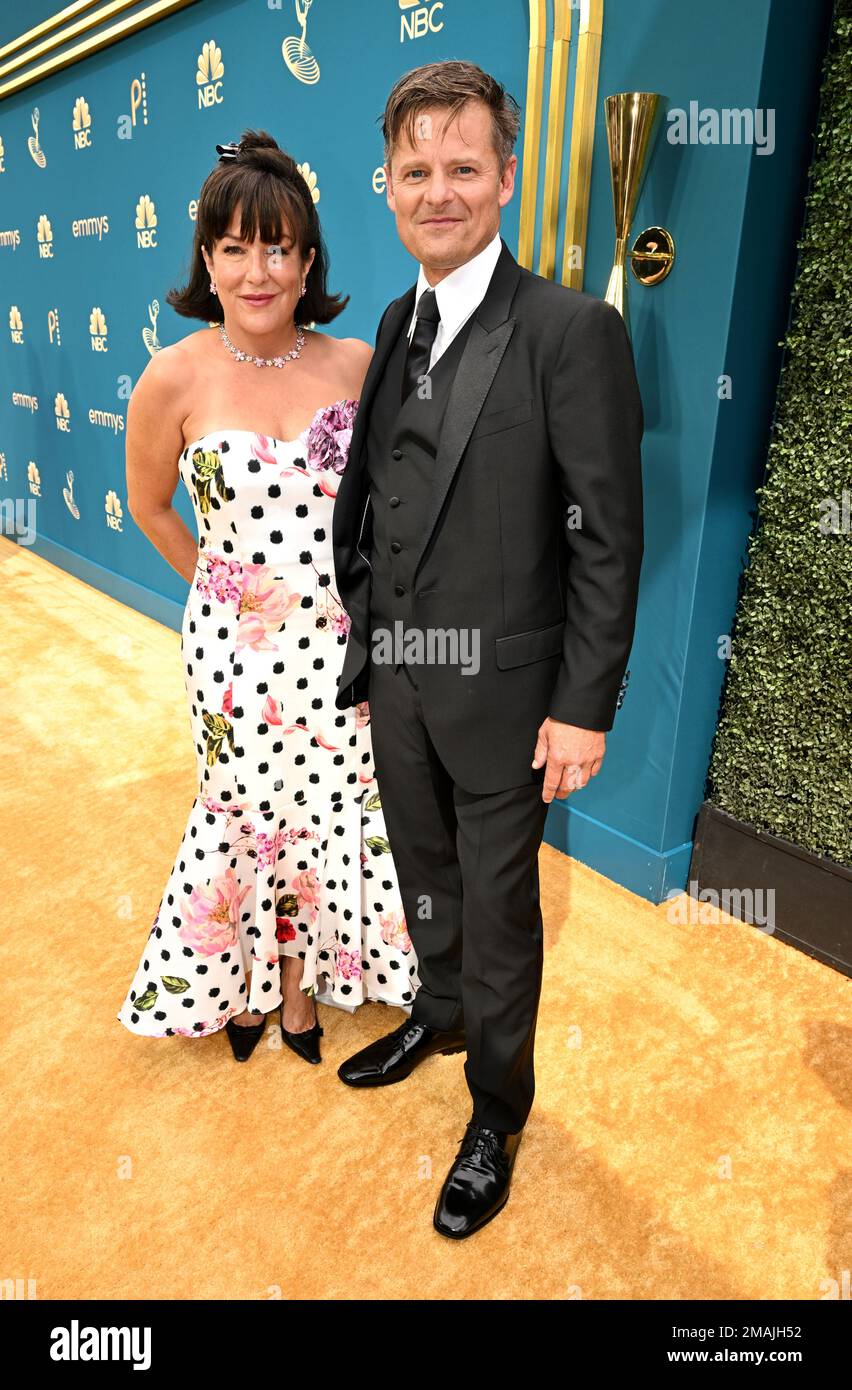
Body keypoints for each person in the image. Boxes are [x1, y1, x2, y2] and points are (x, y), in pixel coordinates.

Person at [331, 61, 645, 1237]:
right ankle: (441, 1005)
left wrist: (584, 705)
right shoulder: (396, 319)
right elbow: (367, 500)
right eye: (417, 171)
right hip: (401, 684)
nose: (440, 190)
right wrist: (372, 637)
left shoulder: (572, 331)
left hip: (513, 699)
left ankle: (496, 1109)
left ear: (505, 177)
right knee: (426, 875)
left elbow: (610, 537)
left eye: (464, 167)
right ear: (391, 187)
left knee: (502, 906)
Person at [117, 130, 419, 1064]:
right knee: (247, 807)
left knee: (331, 806)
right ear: (207, 259)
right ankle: (240, 986)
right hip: (235, 654)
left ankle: (299, 990)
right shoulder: (173, 375)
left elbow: (392, 504)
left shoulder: (355, 365)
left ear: (307, 260)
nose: (258, 271)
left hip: (339, 645)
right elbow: (151, 505)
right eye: (236, 248)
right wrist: (222, 594)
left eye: (278, 248)